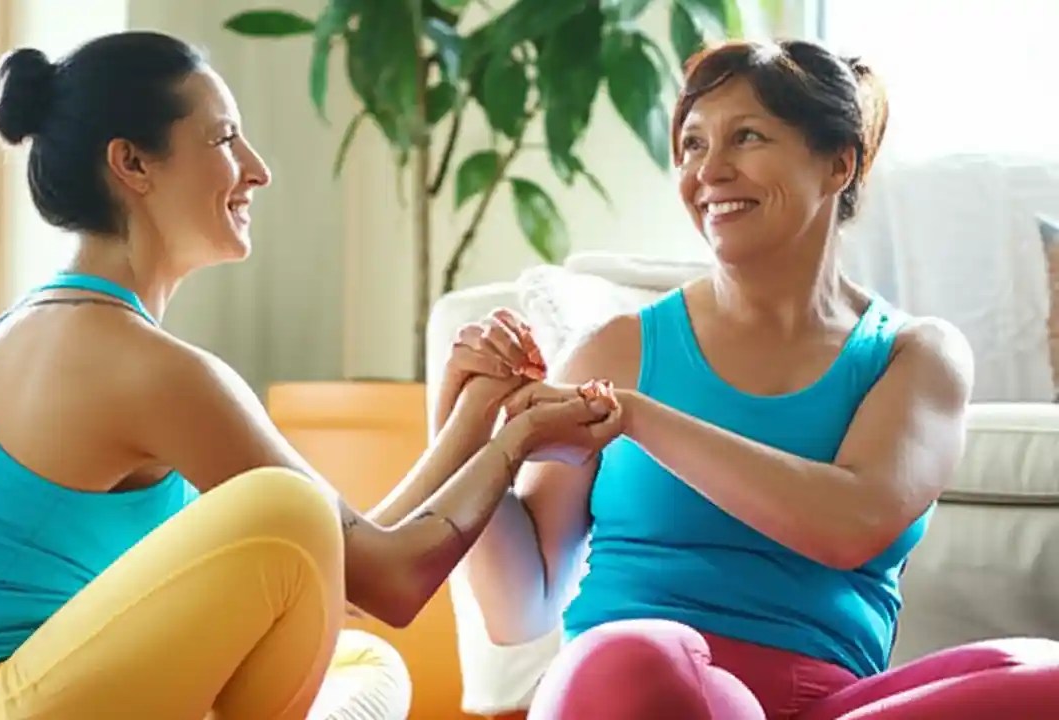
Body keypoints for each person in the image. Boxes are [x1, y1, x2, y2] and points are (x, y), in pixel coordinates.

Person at [0, 31, 623, 720]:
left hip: (22, 689)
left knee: (360, 662)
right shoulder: (136, 364)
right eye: (224, 138)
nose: (258, 170)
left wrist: (472, 418)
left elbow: (342, 569)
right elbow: (385, 580)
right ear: (131, 163)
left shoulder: (81, 331)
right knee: (288, 514)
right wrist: (514, 442)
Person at [452, 39, 1059, 719]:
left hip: (833, 704)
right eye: (692, 145)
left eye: (746, 137)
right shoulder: (616, 350)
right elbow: (519, 609)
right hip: (634, 690)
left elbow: (851, 524)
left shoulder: (914, 357)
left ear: (839, 163)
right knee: (641, 657)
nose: (709, 171)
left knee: (1045, 675)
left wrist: (642, 418)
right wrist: (467, 421)